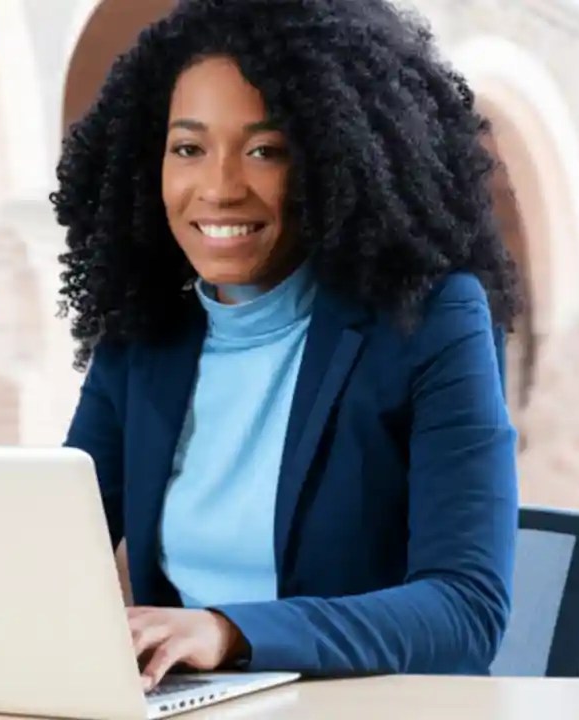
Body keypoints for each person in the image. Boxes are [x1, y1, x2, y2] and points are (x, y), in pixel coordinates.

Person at [51, 0, 522, 691]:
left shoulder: (430, 321)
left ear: (336, 159)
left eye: (265, 151)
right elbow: (53, 548)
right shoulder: (142, 337)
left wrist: (229, 631)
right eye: (188, 148)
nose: (219, 188)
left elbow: (465, 608)